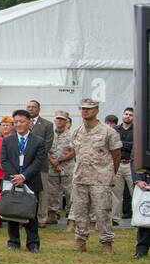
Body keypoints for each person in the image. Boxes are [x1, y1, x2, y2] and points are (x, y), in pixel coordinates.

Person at [68, 98, 122, 254]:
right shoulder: (77, 132)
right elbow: (75, 152)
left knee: (102, 212)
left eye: (90, 108)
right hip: (80, 178)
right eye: (83, 108)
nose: (86, 111)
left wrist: (110, 174)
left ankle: (106, 243)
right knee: (80, 211)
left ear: (97, 110)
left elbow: (116, 155)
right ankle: (80, 241)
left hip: (101, 179)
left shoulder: (108, 132)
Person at [0, 109, 45, 253]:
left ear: (29, 123)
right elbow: (4, 160)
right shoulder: (7, 141)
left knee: (31, 212)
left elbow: (39, 161)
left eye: (22, 121)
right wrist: (15, 176)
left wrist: (24, 176)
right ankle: (13, 241)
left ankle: (33, 243)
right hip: (12, 180)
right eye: (16, 122)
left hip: (30, 180)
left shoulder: (38, 141)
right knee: (11, 210)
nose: (19, 124)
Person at [25, 99, 56, 225]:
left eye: (33, 107)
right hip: (25, 165)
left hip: (40, 164)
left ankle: (42, 218)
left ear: (38, 109)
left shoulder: (47, 125)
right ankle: (25, 216)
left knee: (42, 193)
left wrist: (34, 158)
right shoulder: (22, 123)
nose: (31, 109)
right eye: (29, 107)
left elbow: (47, 145)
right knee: (26, 191)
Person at [48, 111, 76, 228]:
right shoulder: (50, 134)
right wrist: (53, 161)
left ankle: (71, 216)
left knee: (70, 192)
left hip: (67, 167)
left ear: (66, 121)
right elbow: (45, 149)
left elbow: (74, 151)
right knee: (52, 192)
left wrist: (60, 161)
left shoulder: (72, 135)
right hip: (52, 167)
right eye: (57, 119)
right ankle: (53, 214)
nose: (59, 121)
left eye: (62, 119)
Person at [112, 107, 135, 223]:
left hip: (130, 164)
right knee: (116, 192)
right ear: (122, 115)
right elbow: (112, 145)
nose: (128, 116)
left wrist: (121, 144)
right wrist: (124, 145)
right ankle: (114, 218)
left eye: (130, 115)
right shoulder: (116, 130)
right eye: (126, 114)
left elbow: (135, 146)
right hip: (118, 164)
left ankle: (137, 217)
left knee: (134, 192)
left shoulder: (137, 130)